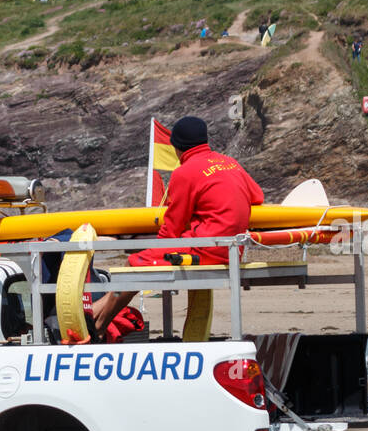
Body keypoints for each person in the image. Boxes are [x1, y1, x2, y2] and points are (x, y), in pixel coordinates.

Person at [92, 116, 263, 335]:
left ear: (177, 147)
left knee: (136, 263)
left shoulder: (185, 172)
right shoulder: (230, 163)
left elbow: (172, 228)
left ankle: (99, 323)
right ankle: (98, 312)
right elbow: (257, 195)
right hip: (231, 250)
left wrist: (156, 252)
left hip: (205, 249)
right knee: (138, 265)